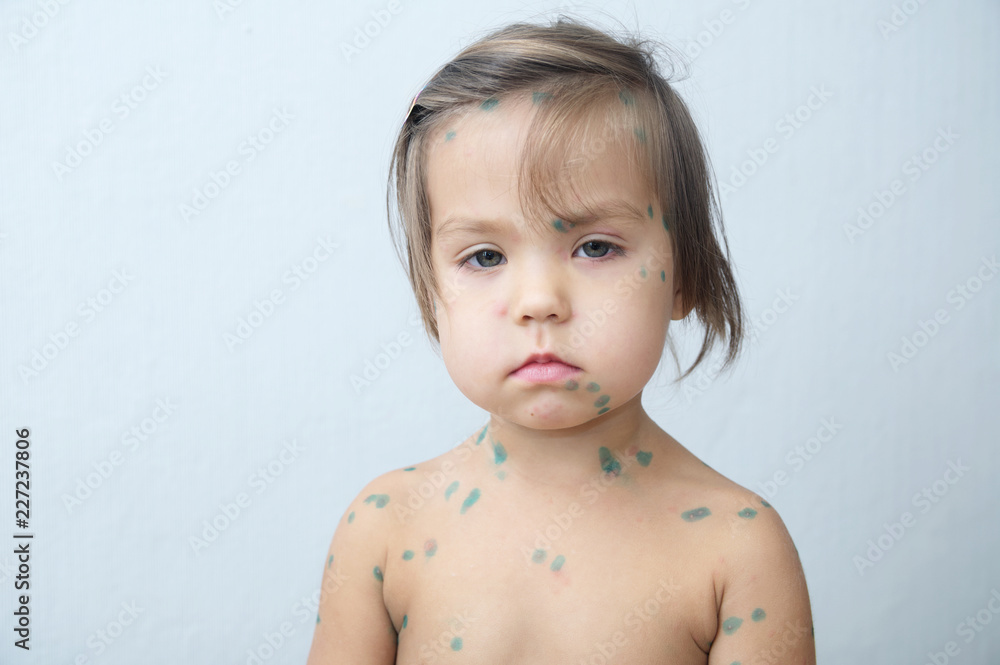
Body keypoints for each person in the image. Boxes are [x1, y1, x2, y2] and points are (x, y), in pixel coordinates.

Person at [307, 15, 815, 664]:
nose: (538, 301)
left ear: (684, 273)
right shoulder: (384, 529)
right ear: (429, 288)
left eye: (595, 247)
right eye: (485, 257)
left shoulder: (737, 548)